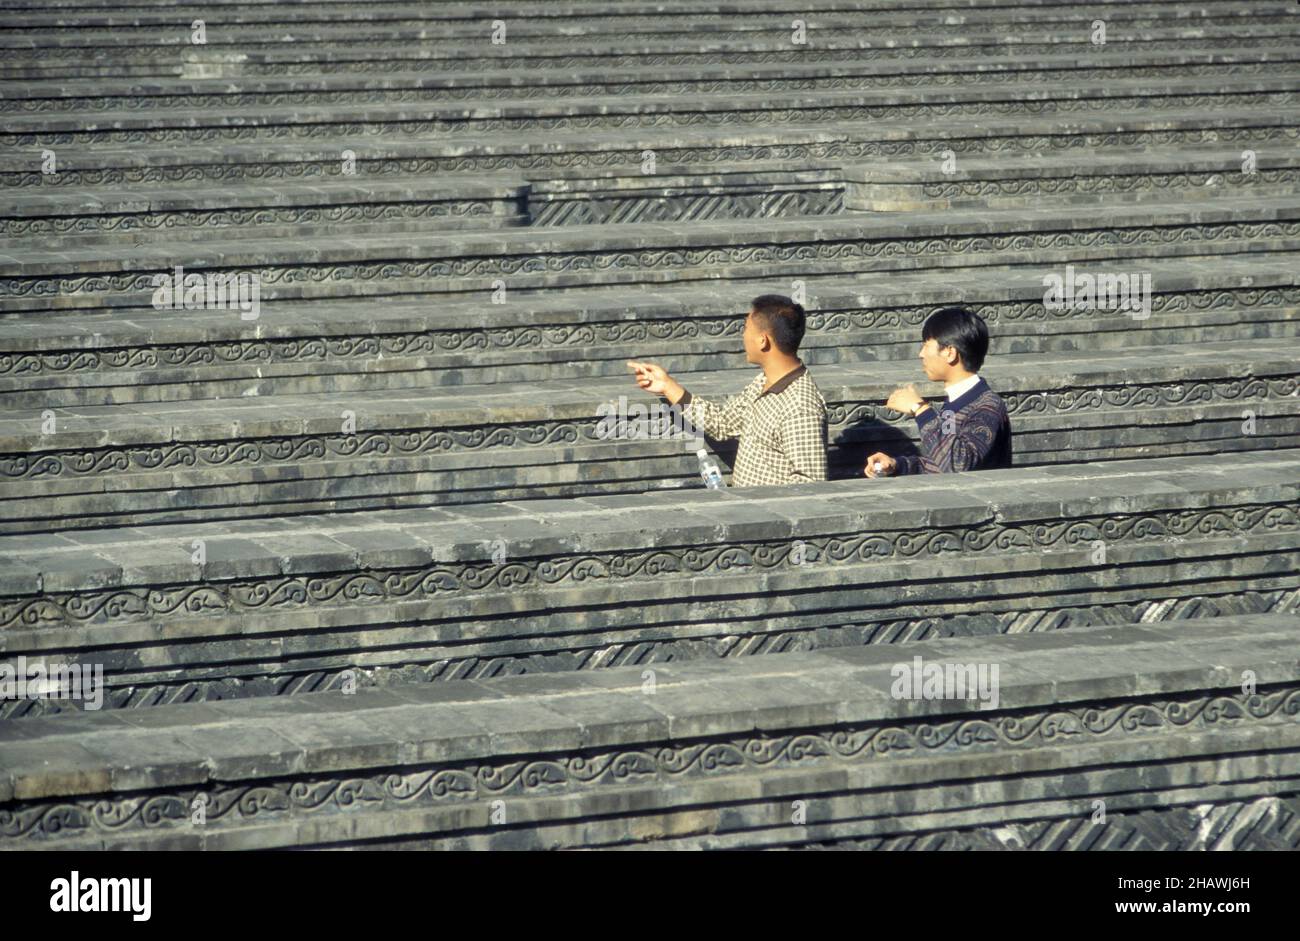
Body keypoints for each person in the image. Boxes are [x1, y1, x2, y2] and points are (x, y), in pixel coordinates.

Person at [627, 294, 827, 487]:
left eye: (746, 328)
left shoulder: (800, 406)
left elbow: (810, 484)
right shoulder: (763, 382)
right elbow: (723, 423)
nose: (743, 335)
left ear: (763, 340)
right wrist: (668, 386)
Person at [865, 306, 1012, 477]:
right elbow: (942, 461)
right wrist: (897, 465)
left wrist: (920, 409)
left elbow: (957, 465)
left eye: (926, 345)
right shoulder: (952, 405)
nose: (921, 354)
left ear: (950, 353)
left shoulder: (988, 407)